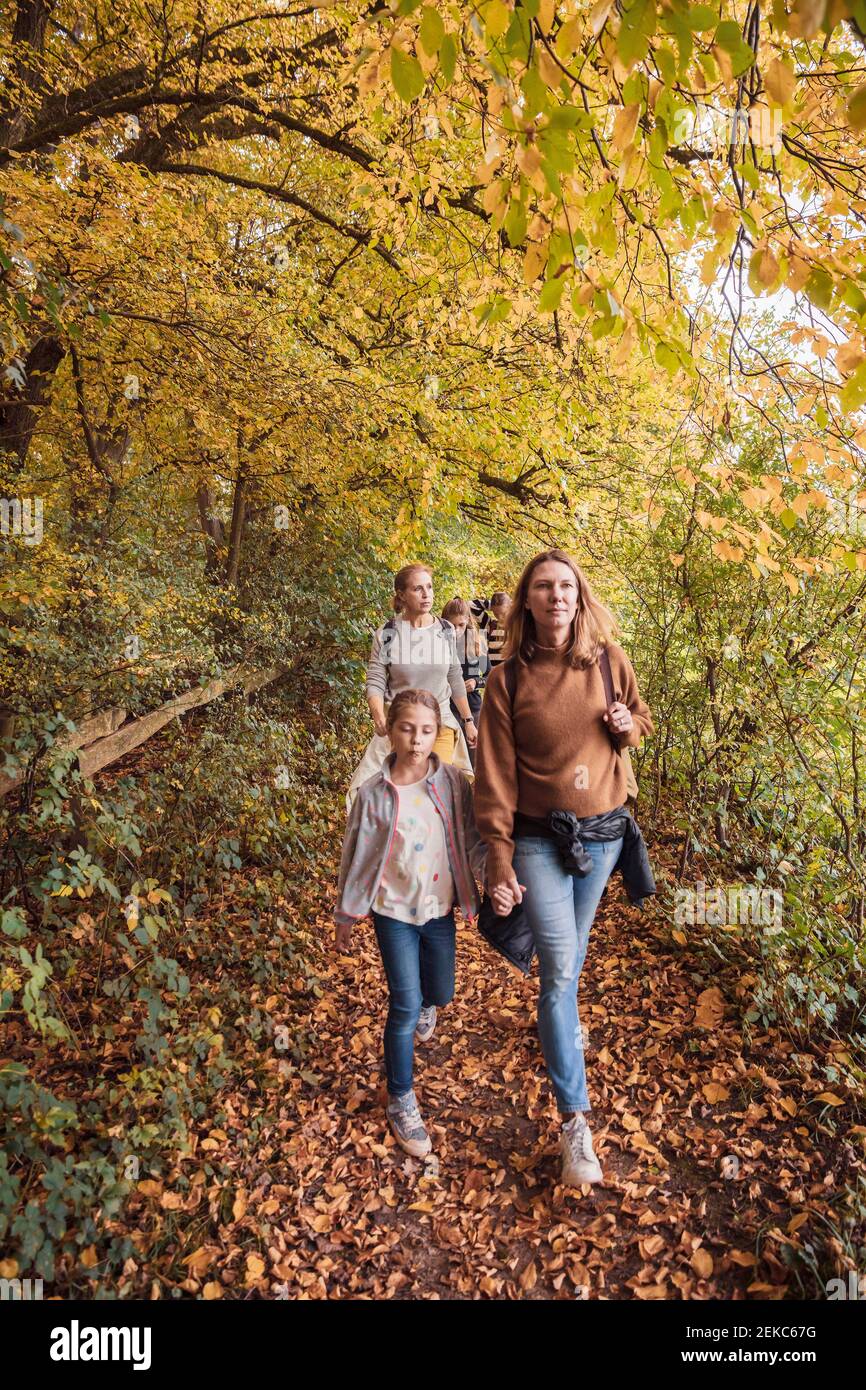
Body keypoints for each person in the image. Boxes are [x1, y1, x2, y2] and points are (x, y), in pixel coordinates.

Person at [473, 549, 653, 1188]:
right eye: (544, 587)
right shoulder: (506, 681)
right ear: (527, 601)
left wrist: (628, 727)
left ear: (580, 597)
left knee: (565, 965)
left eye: (566, 587)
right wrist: (497, 853)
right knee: (559, 964)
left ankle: (554, 1026)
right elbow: (493, 775)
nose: (556, 596)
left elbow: (639, 720)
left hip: (603, 839)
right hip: (536, 841)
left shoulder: (607, 661)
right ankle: (576, 1124)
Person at [334, 689, 486, 1157]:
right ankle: (401, 1096)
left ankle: (428, 1003)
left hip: (439, 910)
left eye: (426, 731)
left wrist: (492, 878)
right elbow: (355, 856)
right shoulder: (373, 796)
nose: (417, 740)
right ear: (390, 731)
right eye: (406, 729)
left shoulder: (454, 783)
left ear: (437, 733)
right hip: (393, 914)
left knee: (439, 993)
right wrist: (346, 912)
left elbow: (473, 837)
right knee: (404, 1004)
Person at [346, 563, 477, 811]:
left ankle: (439, 846)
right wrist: (379, 717)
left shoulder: (446, 630)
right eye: (418, 589)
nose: (427, 594)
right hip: (401, 725)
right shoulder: (387, 633)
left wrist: (468, 720)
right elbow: (375, 679)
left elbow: (454, 675)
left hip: (440, 723)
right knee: (388, 797)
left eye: (429, 587)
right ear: (402, 595)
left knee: (436, 793)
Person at [441, 597, 487, 767]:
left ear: (467, 620)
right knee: (449, 765)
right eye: (452, 625)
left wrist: (476, 682)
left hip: (474, 710)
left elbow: (489, 676)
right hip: (447, 710)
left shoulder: (476, 643)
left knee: (474, 764)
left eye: (460, 625)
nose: (457, 630)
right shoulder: (438, 644)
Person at [475, 591, 511, 670]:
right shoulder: (489, 625)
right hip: (493, 676)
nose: (500, 617)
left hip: (512, 676)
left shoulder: (518, 626)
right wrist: (490, 604)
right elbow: (470, 605)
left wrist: (511, 603)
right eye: (496, 613)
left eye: (503, 613)